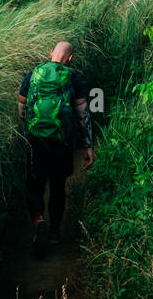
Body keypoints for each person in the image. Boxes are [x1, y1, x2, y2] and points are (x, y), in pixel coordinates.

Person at [17, 40, 95, 255]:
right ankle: (53, 232)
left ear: (51, 53)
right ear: (70, 59)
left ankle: (38, 219)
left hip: (36, 141)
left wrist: (28, 130)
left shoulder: (33, 75)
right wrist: (87, 145)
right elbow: (82, 115)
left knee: (34, 186)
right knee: (58, 187)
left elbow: (22, 105)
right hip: (61, 143)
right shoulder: (73, 78)